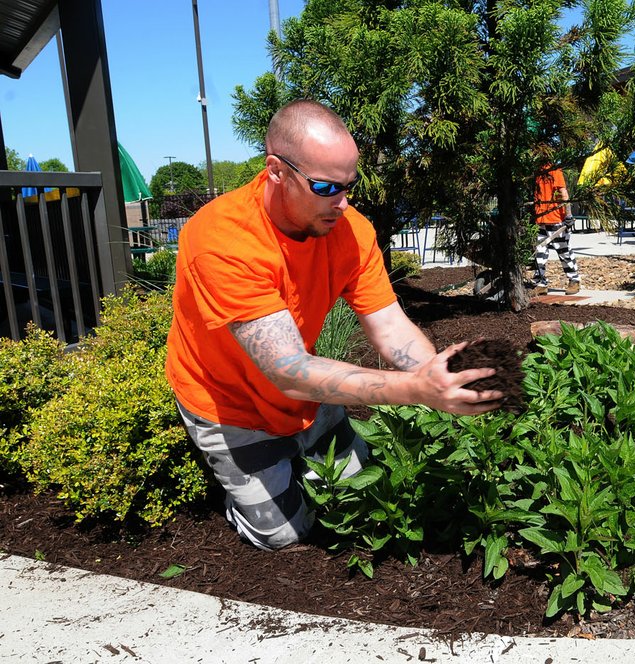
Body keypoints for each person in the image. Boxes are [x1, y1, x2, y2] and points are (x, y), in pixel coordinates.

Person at [165, 99, 503, 551]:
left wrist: (440, 374)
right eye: (325, 187)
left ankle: (298, 454)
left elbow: (389, 327)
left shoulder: (350, 229)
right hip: (230, 403)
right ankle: (240, 483)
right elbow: (287, 369)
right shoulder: (222, 240)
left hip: (306, 390)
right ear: (276, 171)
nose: (343, 204)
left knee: (356, 495)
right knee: (285, 535)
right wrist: (417, 391)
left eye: (349, 185)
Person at [530, 164, 581, 296]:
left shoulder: (554, 171)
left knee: (563, 250)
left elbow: (563, 193)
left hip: (556, 219)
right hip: (540, 219)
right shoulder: (536, 172)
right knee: (539, 252)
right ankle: (540, 283)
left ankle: (574, 280)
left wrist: (568, 215)